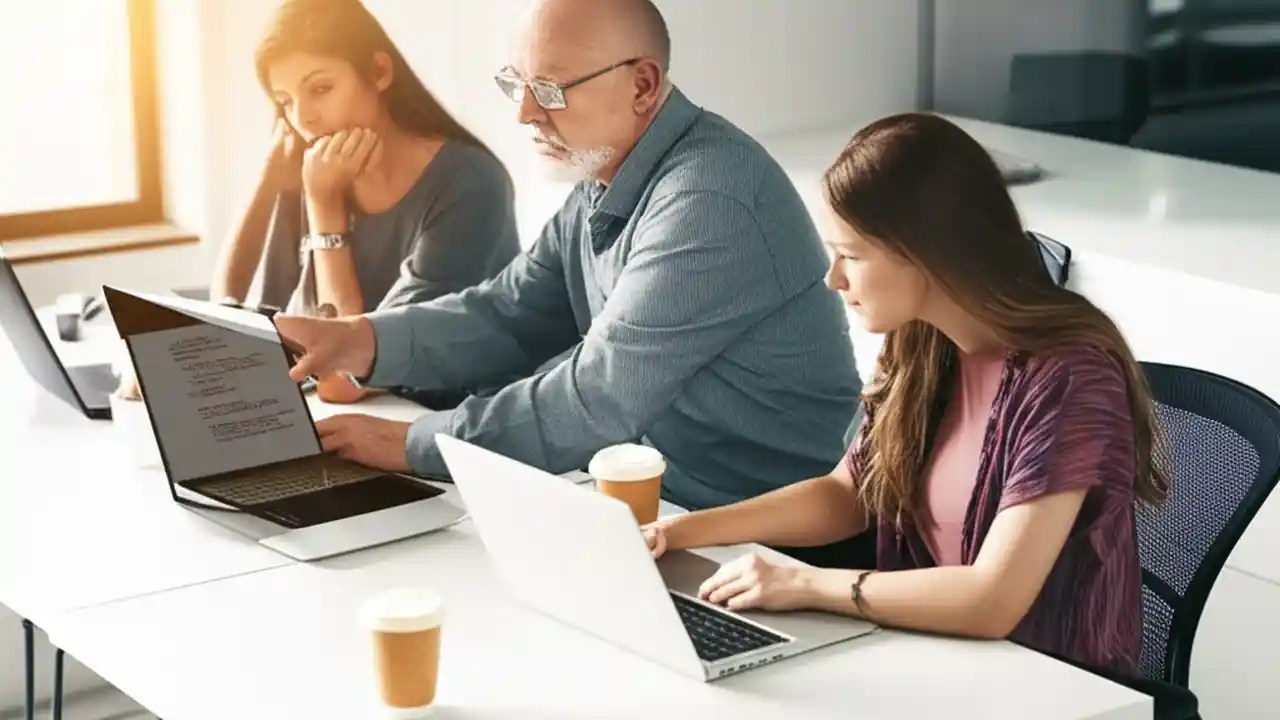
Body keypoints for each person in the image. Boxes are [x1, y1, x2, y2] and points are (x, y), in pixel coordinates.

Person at [273, 0, 861, 512]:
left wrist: (412, 442)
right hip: (666, 510)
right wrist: (358, 341)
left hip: (769, 539)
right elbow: (509, 313)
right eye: (516, 84)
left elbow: (596, 398)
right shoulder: (604, 173)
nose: (525, 113)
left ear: (642, 86)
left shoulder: (707, 200)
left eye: (550, 90)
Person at [642, 113, 1170, 676]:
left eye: (852, 254)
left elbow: (993, 601)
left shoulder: (1071, 378)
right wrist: (679, 531)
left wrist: (807, 584)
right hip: (936, 661)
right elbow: (848, 495)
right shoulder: (924, 341)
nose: (833, 278)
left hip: (1049, 687)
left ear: (927, 253)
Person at [211, 0, 519, 401]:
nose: (303, 119)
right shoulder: (312, 164)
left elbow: (342, 382)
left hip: (441, 425)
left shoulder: (470, 186)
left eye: (320, 89)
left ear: (379, 72)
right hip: (344, 421)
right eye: (285, 101)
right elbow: (243, 313)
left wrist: (325, 207)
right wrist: (268, 179)